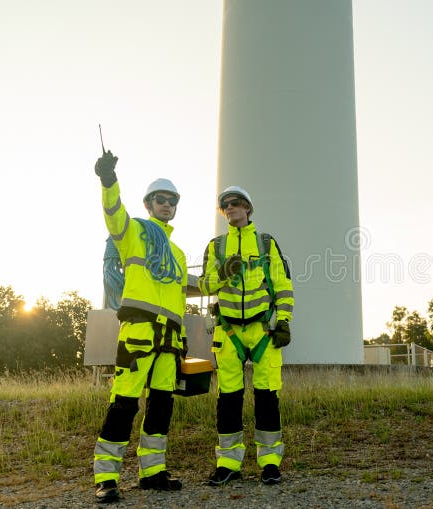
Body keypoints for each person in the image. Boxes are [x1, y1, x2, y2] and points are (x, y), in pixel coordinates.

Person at [92, 149, 189, 503]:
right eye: (160, 200)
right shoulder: (132, 232)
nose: (166, 205)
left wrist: (220, 278)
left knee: (161, 406)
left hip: (169, 339)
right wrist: (108, 181)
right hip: (138, 334)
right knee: (124, 405)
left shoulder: (176, 254)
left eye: (171, 201)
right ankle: (106, 477)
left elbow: (183, 290)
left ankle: (153, 472)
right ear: (148, 204)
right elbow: (113, 214)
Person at [198, 185, 294, 486]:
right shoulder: (216, 247)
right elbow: (204, 286)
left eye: (236, 204)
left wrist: (285, 321)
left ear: (248, 208)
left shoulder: (266, 244)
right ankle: (228, 463)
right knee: (228, 399)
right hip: (228, 332)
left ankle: (270, 464)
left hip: (262, 329)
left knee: (267, 397)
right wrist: (223, 272)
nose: (230, 209)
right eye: (225, 205)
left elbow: (283, 284)